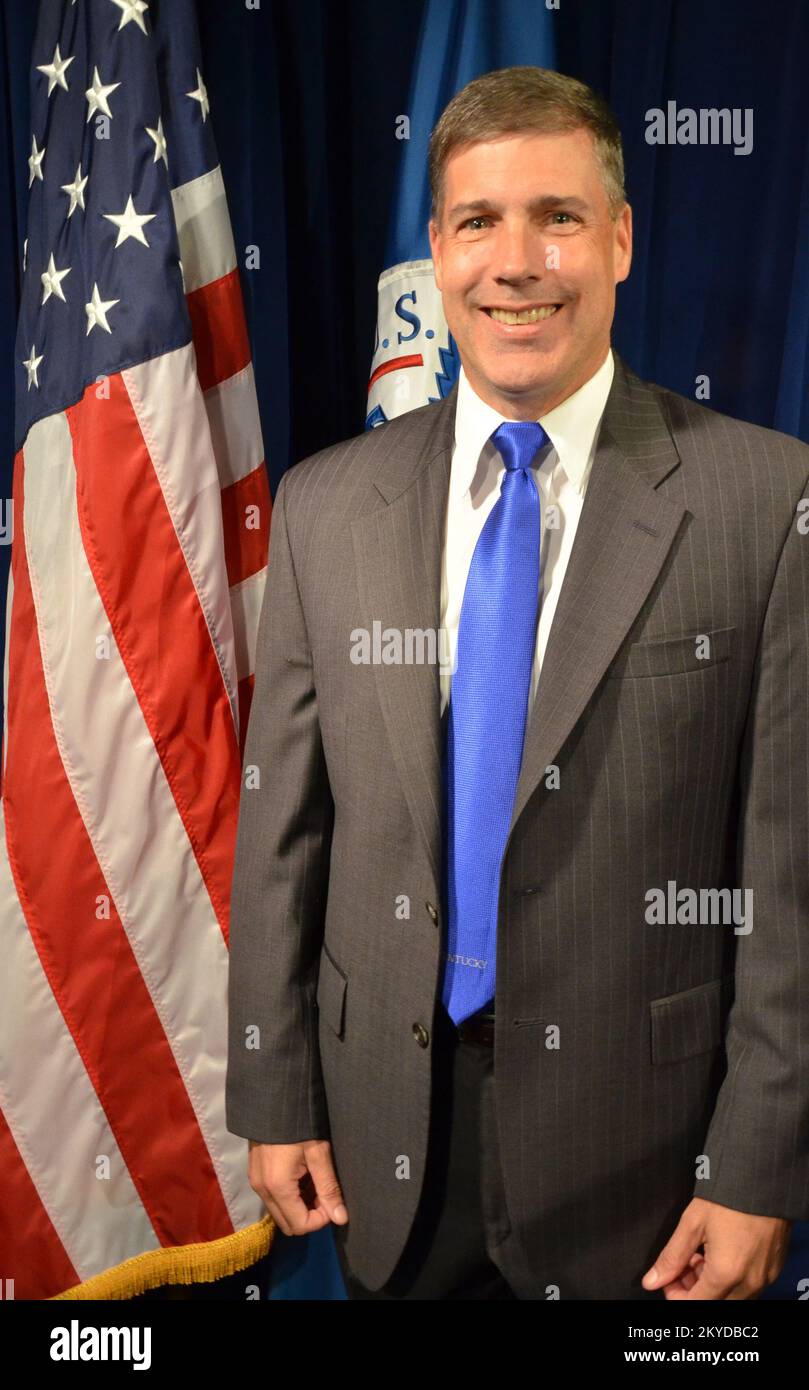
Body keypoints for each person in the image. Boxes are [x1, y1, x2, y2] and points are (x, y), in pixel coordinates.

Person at [225, 66, 808, 1300]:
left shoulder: (764, 501)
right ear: (435, 251)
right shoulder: (328, 506)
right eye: (479, 222)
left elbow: (788, 875)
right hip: (385, 1133)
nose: (517, 261)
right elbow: (284, 831)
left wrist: (755, 1162)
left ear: (619, 240)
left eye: (556, 216)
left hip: (649, 1169)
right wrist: (273, 1085)